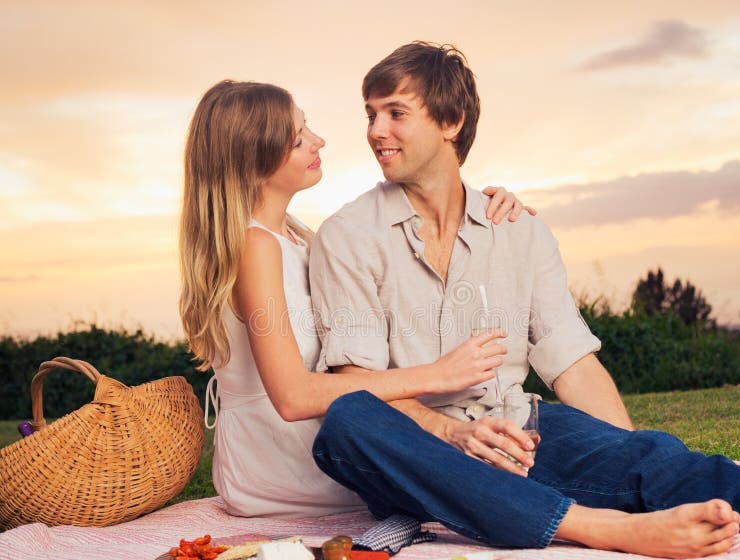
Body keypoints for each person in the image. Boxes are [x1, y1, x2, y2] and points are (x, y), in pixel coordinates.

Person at [308, 41, 740, 557]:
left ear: (450, 120)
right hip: (416, 449)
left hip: (520, 431)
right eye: (371, 114)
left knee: (658, 459)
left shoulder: (518, 230)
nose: (374, 132)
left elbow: (570, 361)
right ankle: (604, 528)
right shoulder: (347, 235)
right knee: (348, 421)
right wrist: (451, 434)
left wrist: (625, 454)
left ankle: (552, 502)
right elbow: (352, 382)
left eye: (395, 113)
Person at [177, 79, 529, 518]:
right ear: (254, 158)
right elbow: (292, 396)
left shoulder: (296, 239)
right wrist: (437, 374)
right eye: (297, 139)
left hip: (324, 446)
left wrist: (475, 205)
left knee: (505, 453)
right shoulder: (255, 248)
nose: (317, 141)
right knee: (495, 471)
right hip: (285, 467)